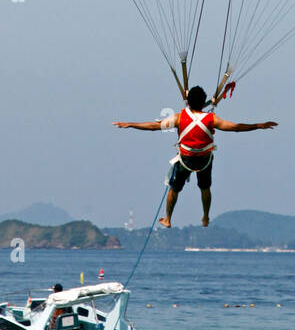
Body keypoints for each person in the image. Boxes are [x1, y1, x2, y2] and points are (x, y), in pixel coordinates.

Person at [114, 85, 277, 228]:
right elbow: (235, 127)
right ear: (203, 101)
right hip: (204, 161)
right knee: (205, 187)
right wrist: (258, 125)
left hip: (185, 160)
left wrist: (130, 124)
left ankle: (168, 219)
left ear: (188, 101)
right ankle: (205, 216)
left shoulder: (179, 117)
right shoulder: (211, 119)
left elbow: (154, 126)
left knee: (174, 189)